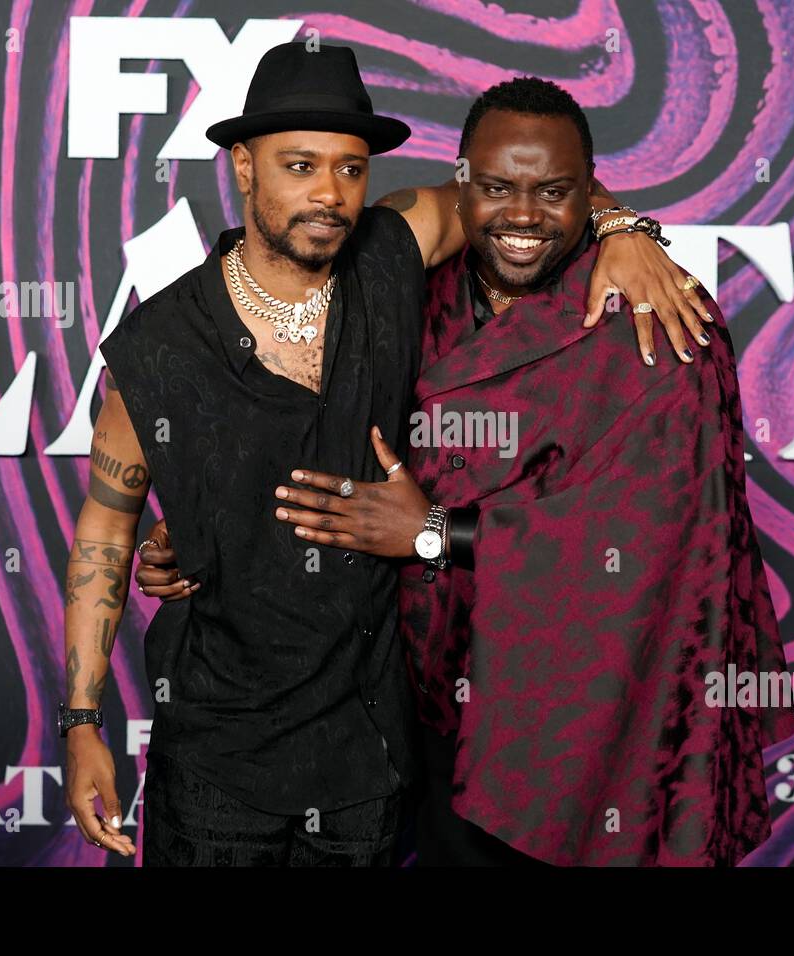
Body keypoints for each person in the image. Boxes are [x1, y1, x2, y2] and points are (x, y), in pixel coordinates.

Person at [64, 43, 704, 866]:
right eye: (300, 166)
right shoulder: (157, 350)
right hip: (219, 772)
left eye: (351, 169)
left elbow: (518, 191)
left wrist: (623, 227)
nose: (330, 195)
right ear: (244, 167)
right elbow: (106, 533)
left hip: (368, 767)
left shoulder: (391, 257)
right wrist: (81, 723)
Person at [262, 77, 794, 865]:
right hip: (412, 693)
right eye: (496, 189)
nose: (522, 218)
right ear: (461, 183)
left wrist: (433, 533)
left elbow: (662, 539)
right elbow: (292, 416)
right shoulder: (405, 282)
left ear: (591, 192)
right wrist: (206, 534)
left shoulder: (661, 318)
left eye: (555, 193)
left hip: (586, 709)